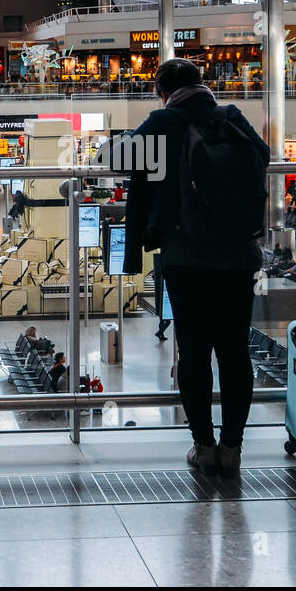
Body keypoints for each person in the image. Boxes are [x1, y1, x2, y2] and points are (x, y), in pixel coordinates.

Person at [109, 57, 269, 477]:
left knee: (194, 352)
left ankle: (204, 446)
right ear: (203, 84)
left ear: (162, 90)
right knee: (235, 352)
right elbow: (264, 156)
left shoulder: (164, 121)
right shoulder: (229, 116)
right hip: (238, 254)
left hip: (185, 255)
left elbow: (116, 158)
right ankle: (233, 447)